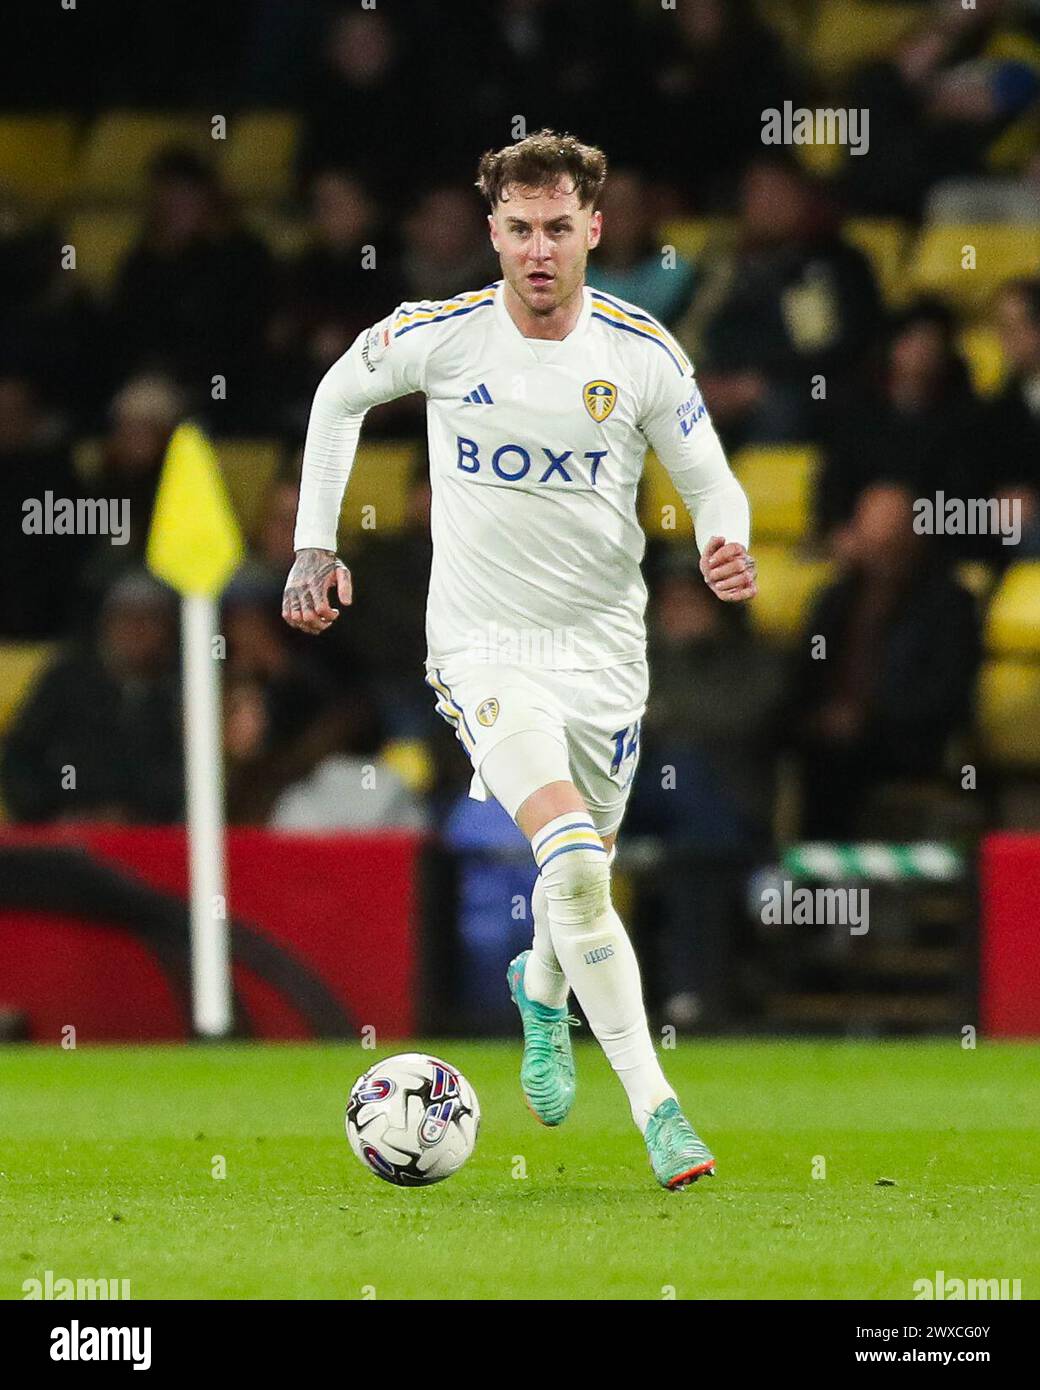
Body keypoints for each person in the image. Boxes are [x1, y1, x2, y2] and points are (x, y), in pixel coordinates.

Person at [282, 131, 755, 1191]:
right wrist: (319, 541)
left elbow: (710, 478)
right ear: (490, 230)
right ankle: (658, 1111)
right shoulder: (446, 337)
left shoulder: (638, 351)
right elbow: (335, 397)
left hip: (602, 655)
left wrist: (727, 537)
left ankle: (541, 990)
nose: (536, 250)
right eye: (516, 230)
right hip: (483, 647)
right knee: (578, 863)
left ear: (592, 229)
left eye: (556, 229)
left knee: (576, 878)